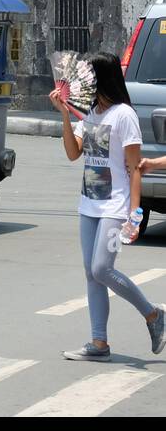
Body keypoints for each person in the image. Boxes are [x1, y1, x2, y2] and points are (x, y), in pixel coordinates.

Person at [50, 52, 165, 360]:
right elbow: (73, 154)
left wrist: (135, 215)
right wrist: (64, 113)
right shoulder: (88, 113)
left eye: (87, 75)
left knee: (102, 268)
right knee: (91, 273)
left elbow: (134, 168)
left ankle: (153, 315)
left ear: (100, 78)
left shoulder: (123, 115)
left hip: (116, 206)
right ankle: (99, 343)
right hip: (89, 204)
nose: (81, 81)